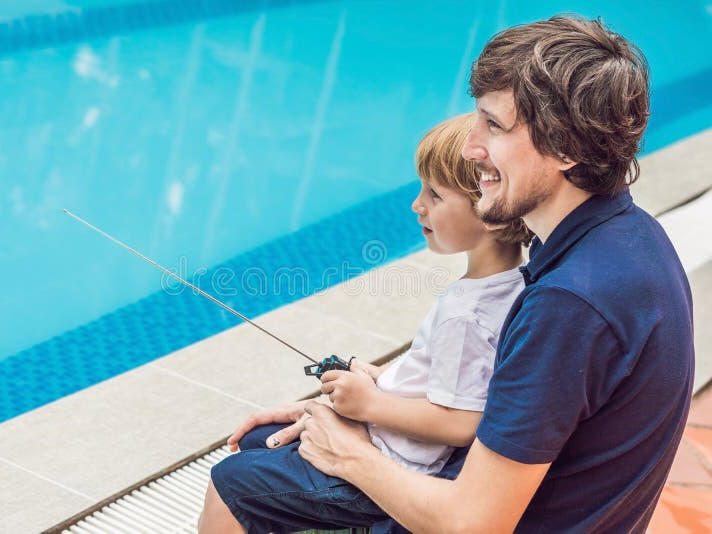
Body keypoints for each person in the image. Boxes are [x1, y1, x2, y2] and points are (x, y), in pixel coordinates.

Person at [294, 15, 695, 533]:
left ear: (566, 149)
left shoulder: (572, 303)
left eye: (495, 126)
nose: (470, 148)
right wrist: (386, 392)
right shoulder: (631, 237)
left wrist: (348, 452)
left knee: (244, 484)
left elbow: (471, 524)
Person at [197, 113, 532, 533]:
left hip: (393, 465)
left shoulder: (467, 314)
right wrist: (381, 380)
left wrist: (371, 404)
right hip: (397, 444)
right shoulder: (511, 286)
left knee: (230, 484)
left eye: (435, 194)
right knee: (254, 444)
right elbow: (460, 383)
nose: (418, 204)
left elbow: (462, 422)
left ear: (491, 211)